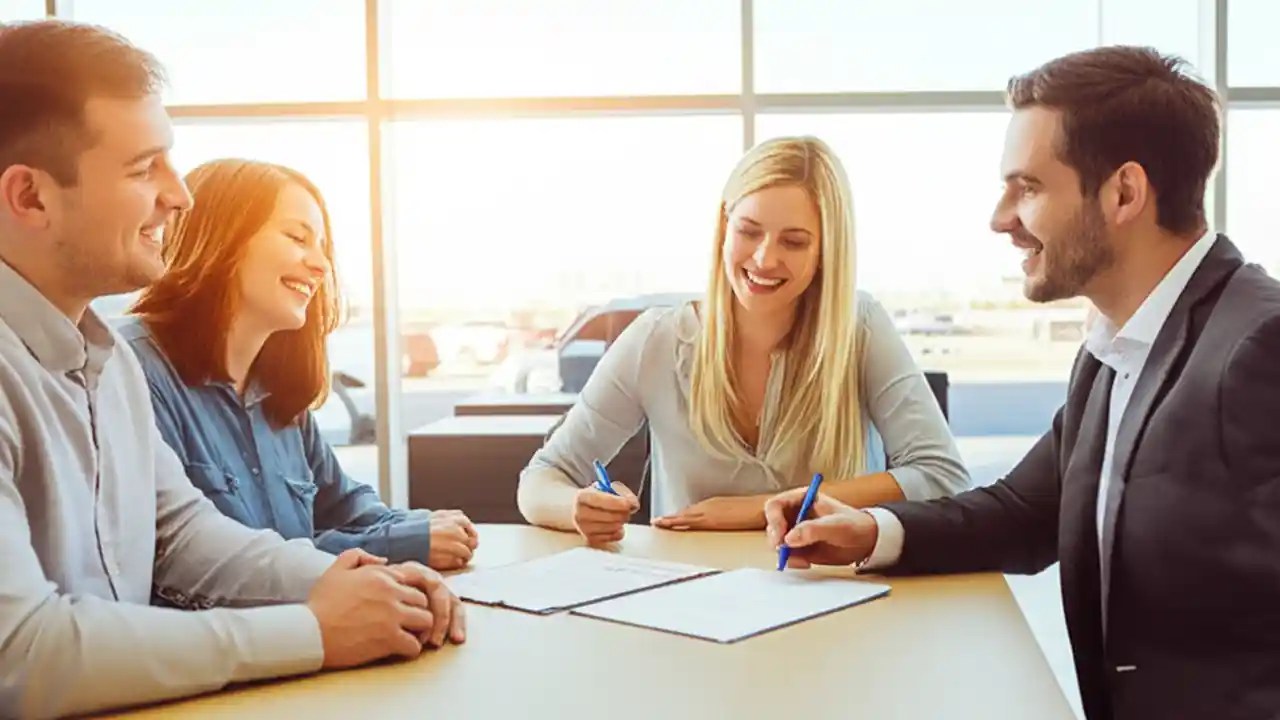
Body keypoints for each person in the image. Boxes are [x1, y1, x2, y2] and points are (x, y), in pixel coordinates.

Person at [764, 46, 1280, 720]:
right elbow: (1027, 513)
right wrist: (870, 530)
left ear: (1124, 192)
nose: (1001, 217)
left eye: (1028, 187)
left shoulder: (1258, 346)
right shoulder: (1113, 349)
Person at [0, 20, 463, 720]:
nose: (180, 195)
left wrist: (367, 582)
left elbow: (184, 535)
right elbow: (21, 657)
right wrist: (314, 630)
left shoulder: (108, 362)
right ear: (30, 197)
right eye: (142, 168)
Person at [517, 136, 969, 544]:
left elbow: (941, 475)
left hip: (825, 592)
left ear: (826, 251)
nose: (764, 258)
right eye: (749, 231)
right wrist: (575, 509)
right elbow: (541, 479)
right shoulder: (656, 340)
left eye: (793, 242)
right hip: (690, 603)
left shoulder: (859, 326)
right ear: (723, 225)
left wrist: (758, 508)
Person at [120, 158, 478, 571]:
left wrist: (423, 525)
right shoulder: (135, 372)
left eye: (322, 247)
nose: (321, 265)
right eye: (298, 238)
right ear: (223, 237)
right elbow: (207, 565)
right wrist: (403, 542)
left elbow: (344, 505)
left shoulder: (276, 391)